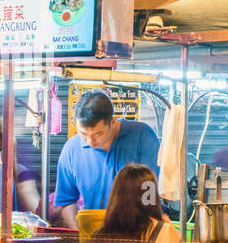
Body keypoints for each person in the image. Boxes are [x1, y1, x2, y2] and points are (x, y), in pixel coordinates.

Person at [54, 90, 160, 228]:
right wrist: (78, 233)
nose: (90, 140)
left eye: (98, 134)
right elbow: (67, 200)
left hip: (138, 231)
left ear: (113, 121)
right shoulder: (71, 150)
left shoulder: (142, 136)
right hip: (93, 233)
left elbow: (150, 192)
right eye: (83, 133)